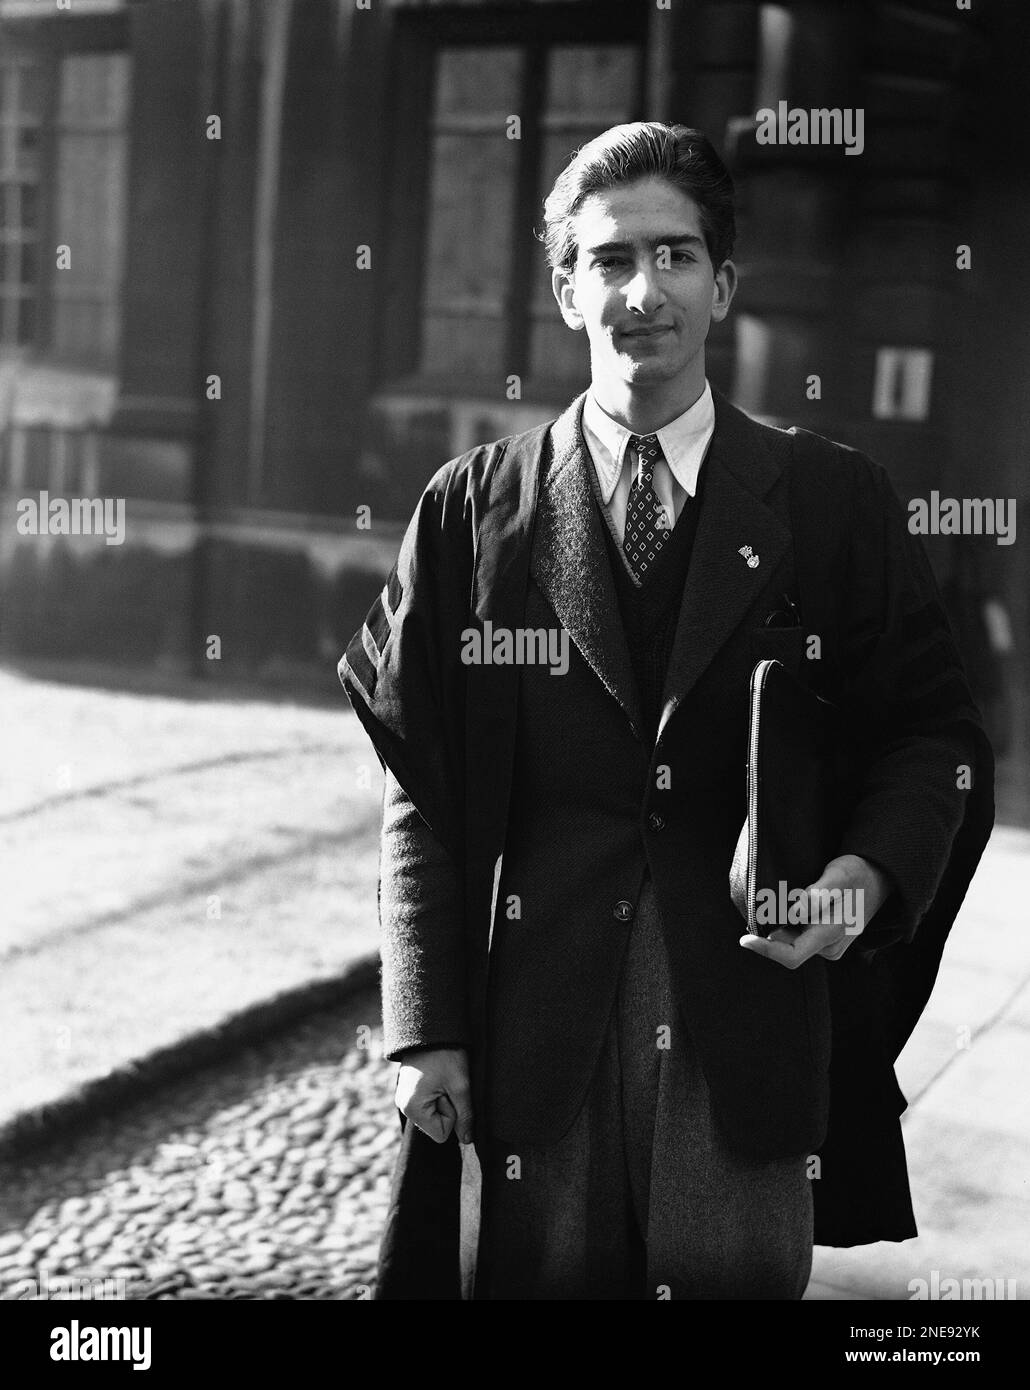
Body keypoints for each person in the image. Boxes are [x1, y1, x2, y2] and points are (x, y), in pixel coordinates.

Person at [340, 123, 994, 1300]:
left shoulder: (829, 500)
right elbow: (419, 793)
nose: (644, 293)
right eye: (609, 260)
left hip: (744, 1026)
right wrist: (425, 1023)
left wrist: (863, 875)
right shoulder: (470, 513)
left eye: (678, 257)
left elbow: (931, 738)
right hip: (535, 1039)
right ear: (563, 288)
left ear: (725, 284)